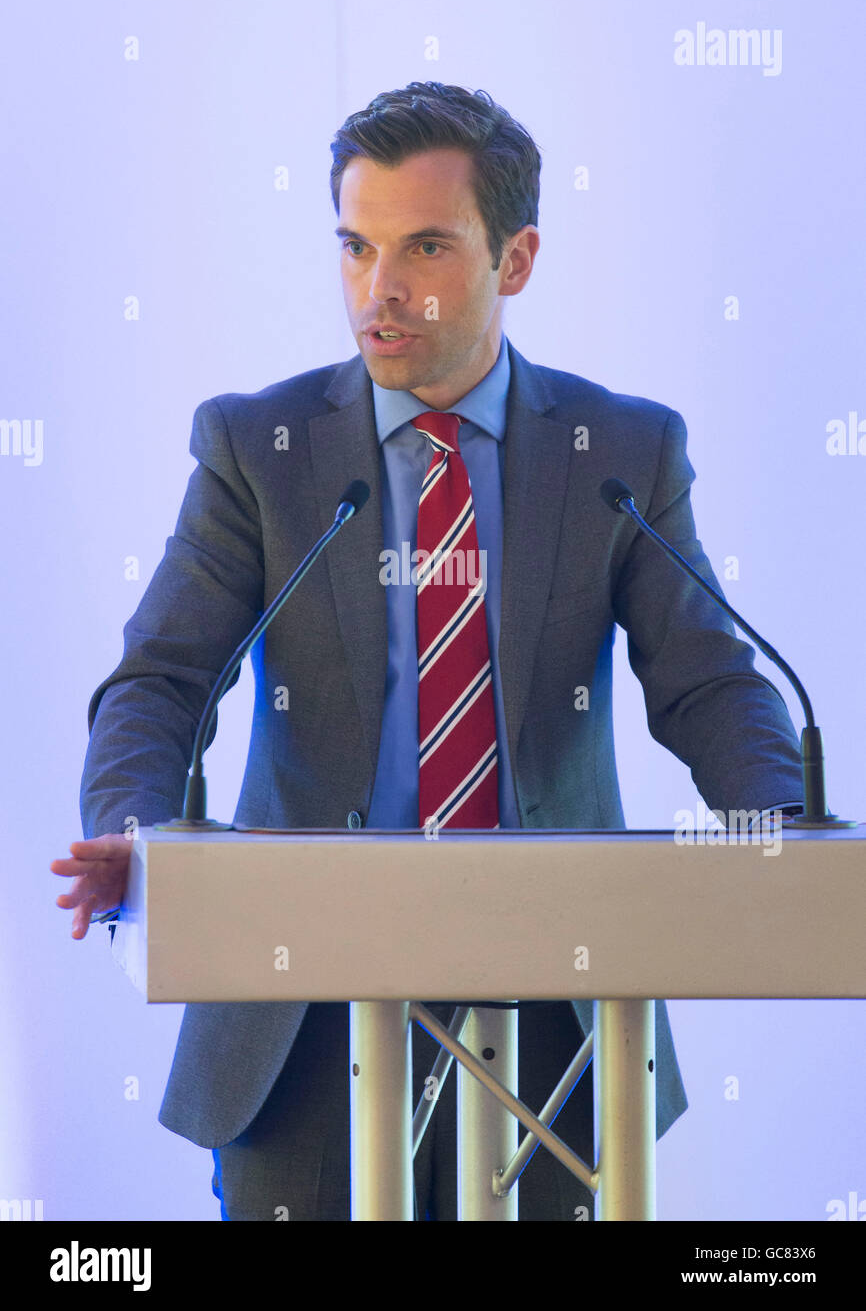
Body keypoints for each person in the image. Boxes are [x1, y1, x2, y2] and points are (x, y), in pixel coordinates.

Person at [52, 82, 804, 1220]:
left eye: (425, 247)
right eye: (354, 246)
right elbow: (160, 681)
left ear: (517, 259)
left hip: (560, 1008)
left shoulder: (622, 452)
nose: (378, 291)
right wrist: (135, 832)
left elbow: (707, 685)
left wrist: (786, 830)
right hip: (297, 1015)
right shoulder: (261, 449)